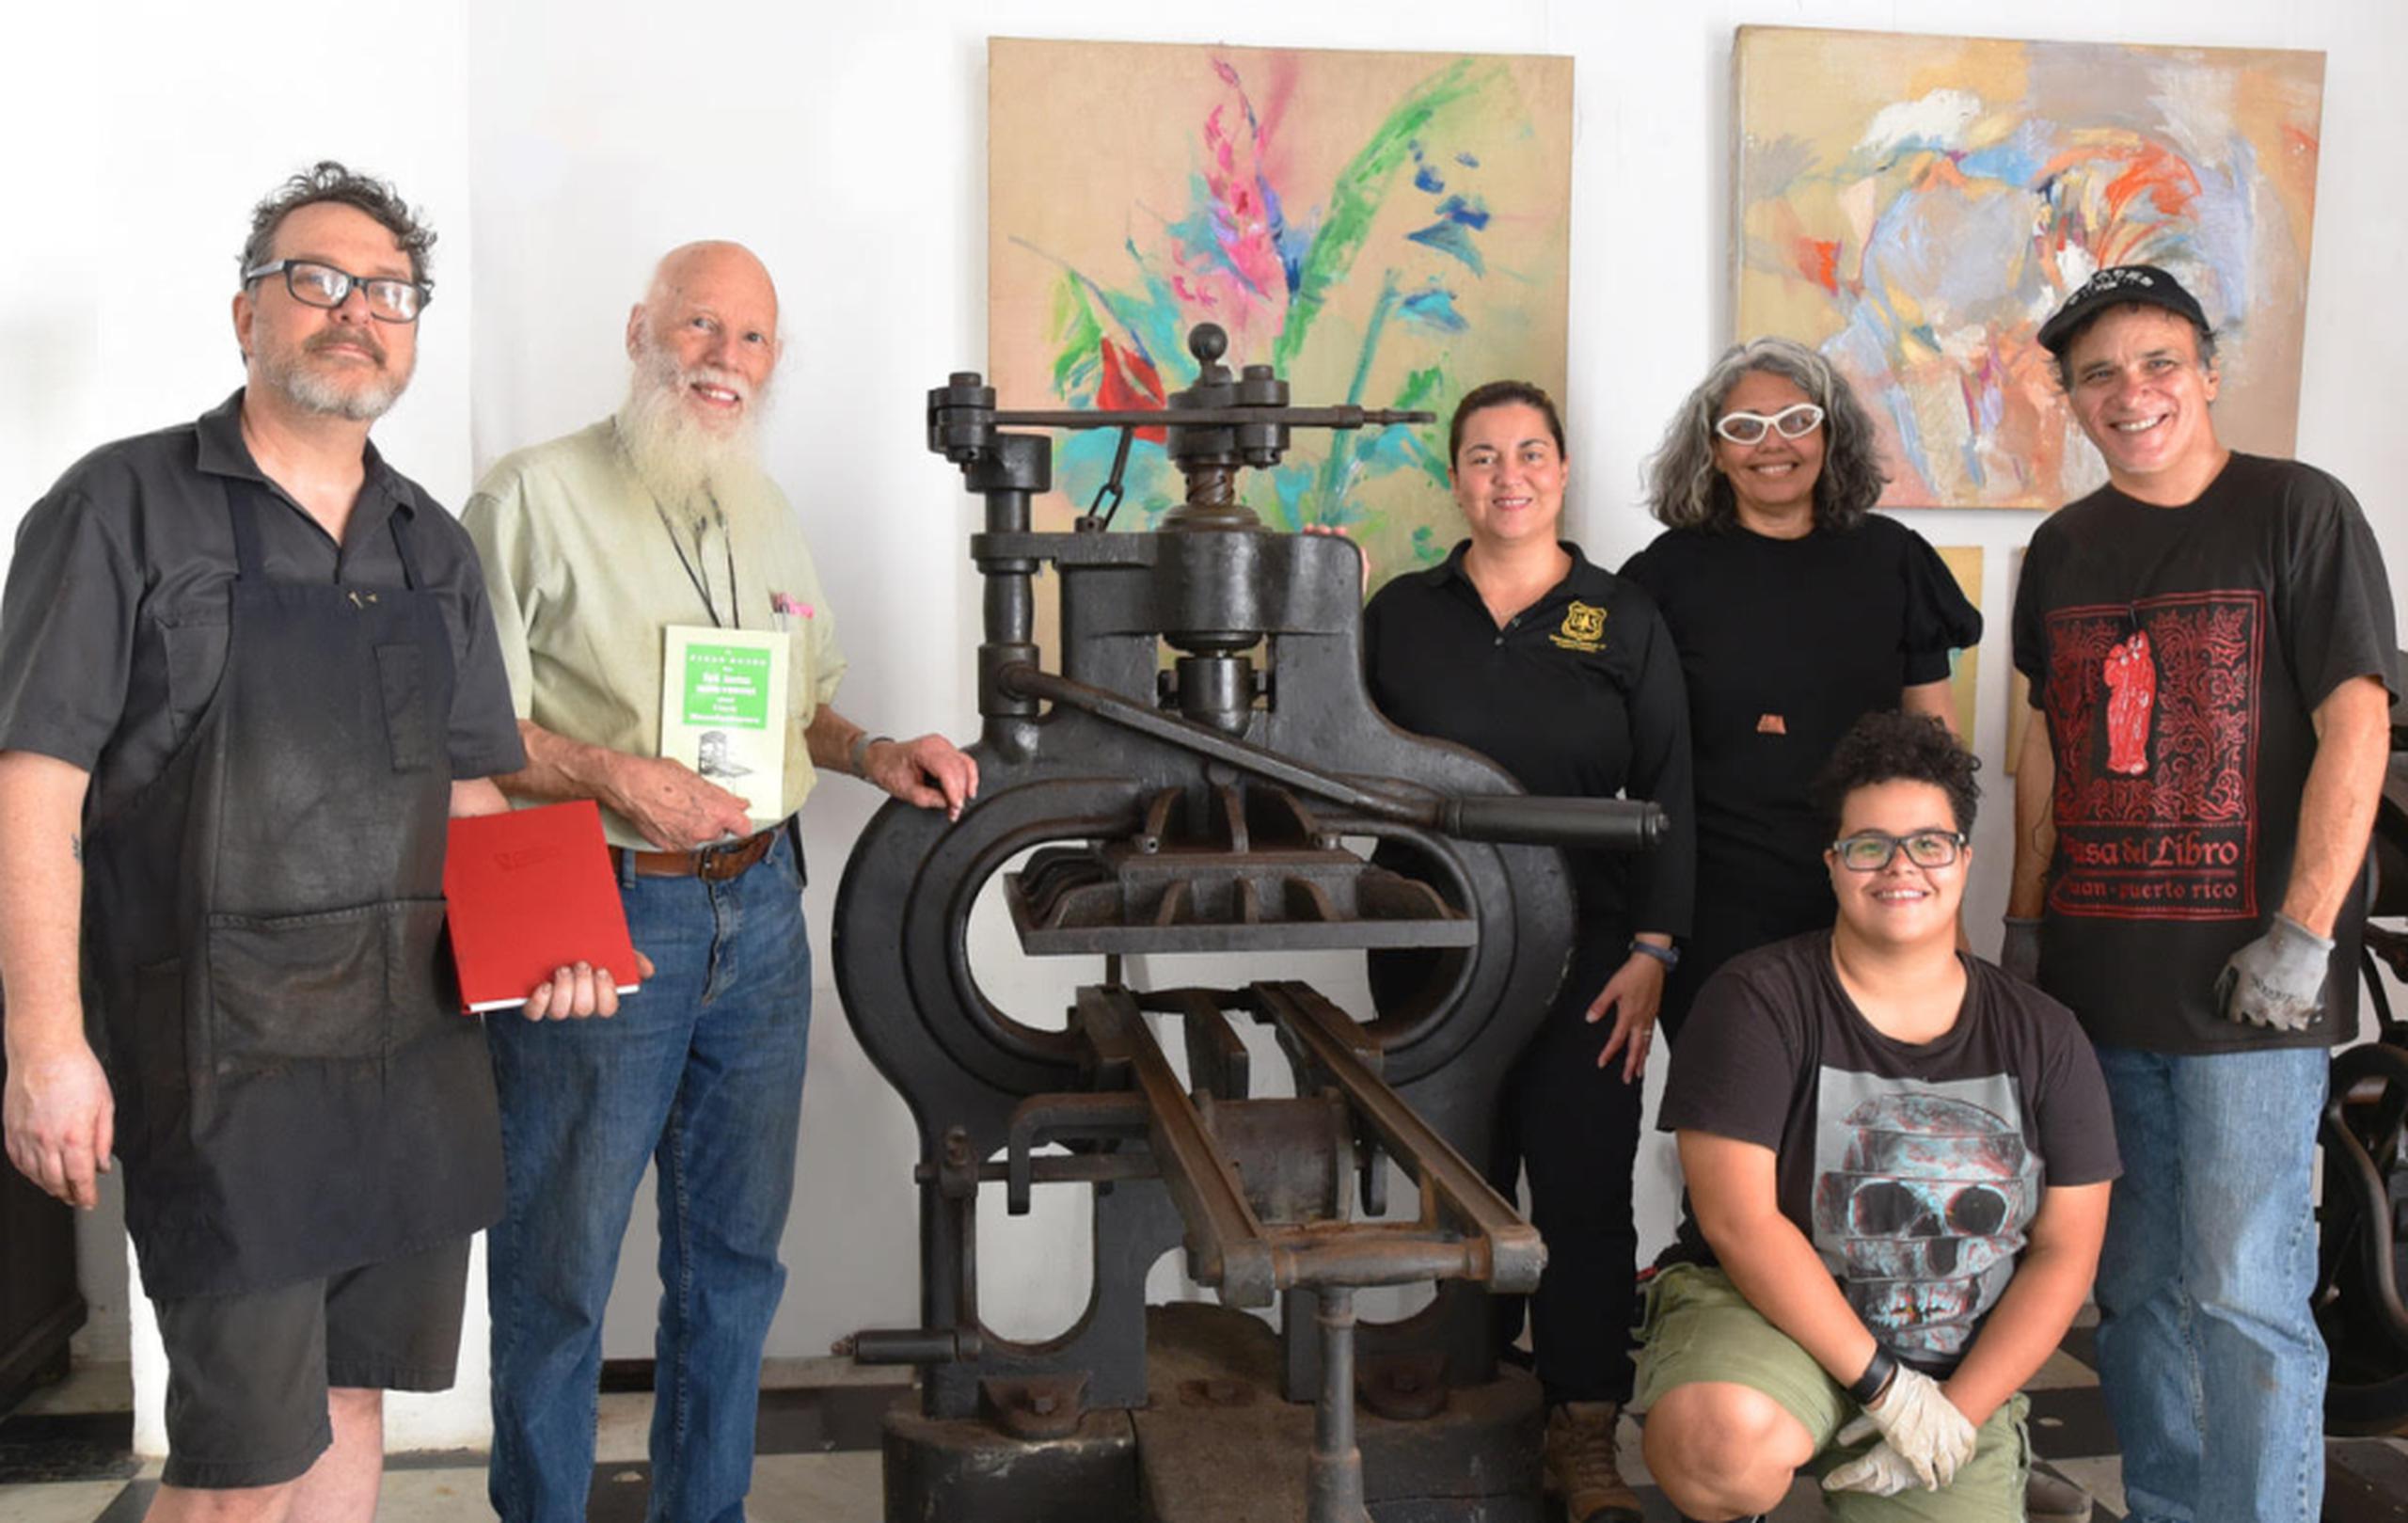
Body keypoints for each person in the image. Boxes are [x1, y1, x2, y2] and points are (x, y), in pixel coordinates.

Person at [0, 162, 603, 1522]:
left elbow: (471, 792)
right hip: (222, 1067)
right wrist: (45, 1042)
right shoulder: (120, 509)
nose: (356, 311)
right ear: (245, 313)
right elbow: (33, 787)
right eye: (317, 280)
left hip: (412, 1059)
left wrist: (550, 943)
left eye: (389, 291)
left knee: (348, 1404)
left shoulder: (428, 543)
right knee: (240, 1467)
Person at [462, 240, 979, 1523]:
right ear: (643, 327)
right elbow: (456, 729)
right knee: (562, 1261)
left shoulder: (763, 505)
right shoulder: (532, 495)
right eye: (702, 325)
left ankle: (709, 1511)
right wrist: (614, 774)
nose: (724, 358)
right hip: (599, 908)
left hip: (759, 909)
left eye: (752, 338)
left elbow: (796, 708)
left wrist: (876, 748)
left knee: (735, 1258)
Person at [2007, 263, 2398, 1523]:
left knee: (2244, 1293)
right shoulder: (2061, 547)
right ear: (2071, 399)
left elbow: (2360, 726)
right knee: (2135, 1295)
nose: (2134, 392)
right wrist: (2018, 926)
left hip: (2251, 1001)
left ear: (2209, 369)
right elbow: (2042, 746)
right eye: (2100, 374)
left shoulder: (2299, 510)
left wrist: (2304, 930)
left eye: (2159, 361)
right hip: (2097, 986)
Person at [1638, 710, 2118, 1522]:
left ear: (1964, 858)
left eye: (1928, 842)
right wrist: (1885, 1391)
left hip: (1955, 1365)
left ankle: (1985, 1457)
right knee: (1722, 1444)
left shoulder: (2043, 1034)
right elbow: (1738, 1218)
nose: (1901, 866)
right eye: (1869, 845)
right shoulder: (1757, 1001)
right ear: (1833, 863)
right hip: (1772, 1325)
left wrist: (1953, 1413)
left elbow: (2067, 1253)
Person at [1358, 380, 1694, 1523]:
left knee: (1585, 1186)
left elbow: (1668, 786)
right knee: (1448, 1181)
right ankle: (1458, 1396)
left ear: (1562, 468)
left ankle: (1581, 1430)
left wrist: (1654, 943)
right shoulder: (1400, 611)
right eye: (1485, 456)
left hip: (1590, 949)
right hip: (1428, 938)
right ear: (1455, 477)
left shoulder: (1619, 615)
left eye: (1531, 453)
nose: (1509, 475)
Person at [1622, 336, 1979, 1034]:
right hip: (1716, 908)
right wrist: (1650, 937)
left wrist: (1946, 918)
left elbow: (1940, 763)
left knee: (1862, 1124)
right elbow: (1635, 762)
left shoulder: (1895, 561)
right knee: (1735, 1124)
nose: (1772, 443)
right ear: (1714, 451)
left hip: (1874, 892)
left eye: (1795, 420)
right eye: (1744, 427)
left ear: (1829, 432)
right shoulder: (1665, 577)